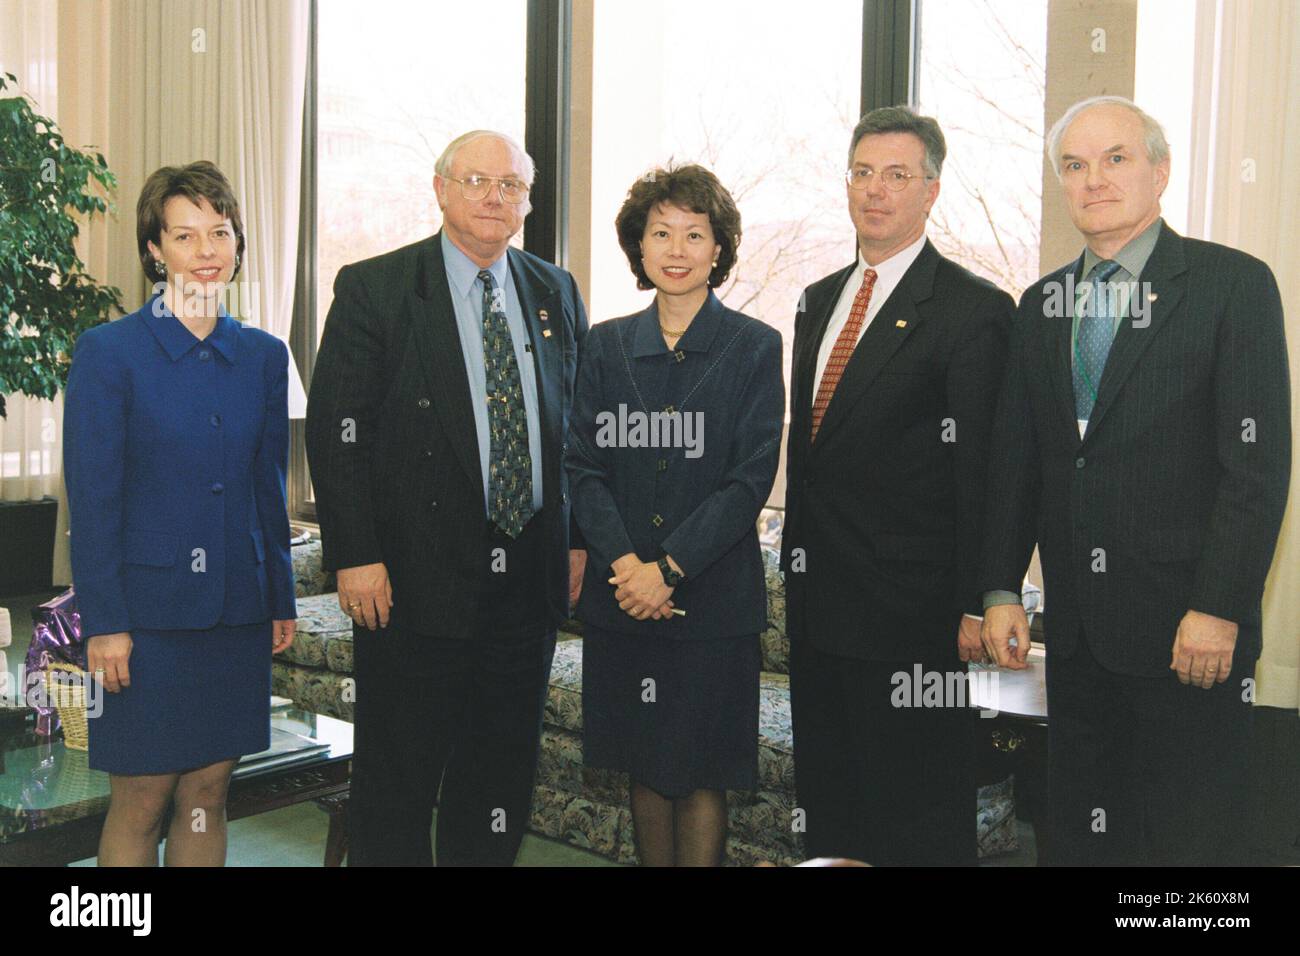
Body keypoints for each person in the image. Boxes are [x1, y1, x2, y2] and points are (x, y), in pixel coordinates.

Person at [980, 96, 1291, 865]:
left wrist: (1218, 606)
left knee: (1187, 845)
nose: (1094, 180)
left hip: (1189, 634)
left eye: (1115, 158)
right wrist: (997, 591)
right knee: (1084, 838)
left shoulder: (1232, 285)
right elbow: (1017, 463)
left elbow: (1255, 466)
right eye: (1075, 166)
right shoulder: (1040, 304)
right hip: (1079, 639)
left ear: (1160, 170)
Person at [306, 130, 588, 866]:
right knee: (397, 784)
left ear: (527, 200)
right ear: (440, 189)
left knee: (497, 781)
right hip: (409, 584)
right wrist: (356, 554)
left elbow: (579, 431)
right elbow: (339, 437)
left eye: (512, 186)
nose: (495, 198)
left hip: (525, 586)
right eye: (477, 181)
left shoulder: (554, 290)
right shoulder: (377, 289)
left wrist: (579, 538)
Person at [781, 107, 1014, 866]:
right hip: (819, 612)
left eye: (898, 176)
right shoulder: (819, 299)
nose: (875, 191)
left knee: (915, 818)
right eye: (862, 172)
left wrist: (981, 597)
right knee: (833, 813)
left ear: (932, 190)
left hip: (915, 619)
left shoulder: (972, 310)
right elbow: (815, 457)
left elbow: (985, 470)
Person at [63, 160, 297, 866]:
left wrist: (278, 594)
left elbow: (269, 487)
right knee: (142, 798)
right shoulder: (110, 353)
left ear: (236, 245)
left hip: (235, 610)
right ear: (154, 250)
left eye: (219, 233)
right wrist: (104, 623)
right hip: (145, 619)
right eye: (185, 235)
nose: (205, 252)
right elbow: (94, 501)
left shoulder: (262, 355)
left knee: (208, 792)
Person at [565, 163, 783, 866]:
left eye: (696, 233)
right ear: (640, 245)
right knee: (643, 767)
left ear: (719, 249)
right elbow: (583, 467)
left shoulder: (753, 346)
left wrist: (671, 569)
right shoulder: (603, 345)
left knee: (700, 775)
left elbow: (747, 481)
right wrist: (629, 568)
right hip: (621, 598)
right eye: (662, 232)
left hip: (711, 606)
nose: (678, 248)